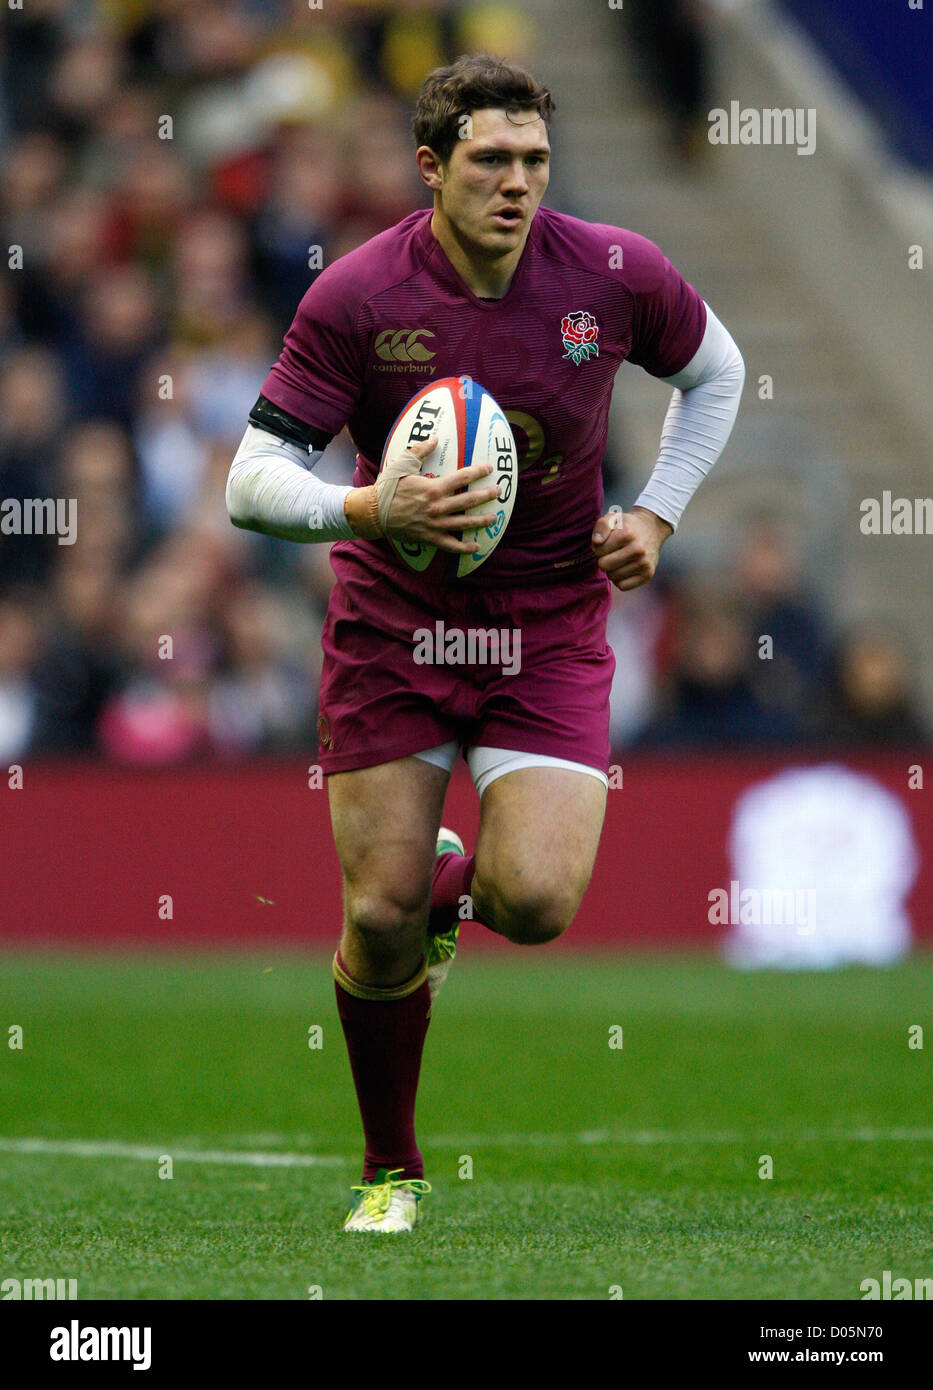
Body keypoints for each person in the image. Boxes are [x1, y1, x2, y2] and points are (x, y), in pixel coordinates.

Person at [225, 53, 745, 1232]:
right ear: (431, 166)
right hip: (394, 628)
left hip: (547, 629)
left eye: (536, 161)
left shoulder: (614, 273)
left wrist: (658, 513)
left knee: (538, 900)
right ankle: (391, 1172)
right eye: (492, 160)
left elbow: (718, 374)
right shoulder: (357, 296)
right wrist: (372, 507)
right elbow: (250, 483)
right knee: (377, 916)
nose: (518, 183)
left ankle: (446, 888)